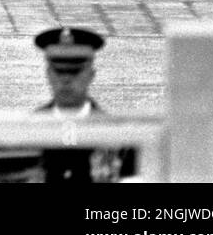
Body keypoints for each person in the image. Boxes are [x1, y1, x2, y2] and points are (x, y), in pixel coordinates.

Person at [32, 27, 136, 183]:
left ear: (91, 74)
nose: (66, 80)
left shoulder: (118, 138)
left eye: (74, 72)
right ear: (48, 74)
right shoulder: (27, 131)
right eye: (59, 71)